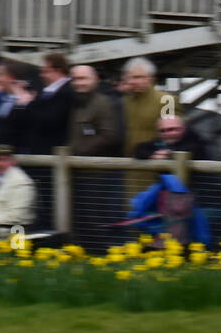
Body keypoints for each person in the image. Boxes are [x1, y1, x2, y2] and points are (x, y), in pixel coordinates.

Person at [68, 65, 121, 248]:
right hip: (74, 172)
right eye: (75, 79)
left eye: (84, 78)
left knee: (94, 218)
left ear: (95, 79)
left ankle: (100, 253)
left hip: (96, 174)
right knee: (77, 217)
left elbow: (109, 135)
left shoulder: (102, 103)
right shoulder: (73, 103)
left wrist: (79, 151)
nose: (79, 83)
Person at [122, 57, 166, 201]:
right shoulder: (123, 101)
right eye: (132, 77)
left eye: (139, 77)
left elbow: (172, 134)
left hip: (153, 171)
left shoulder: (167, 100)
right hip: (126, 169)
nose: (135, 81)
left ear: (151, 78)